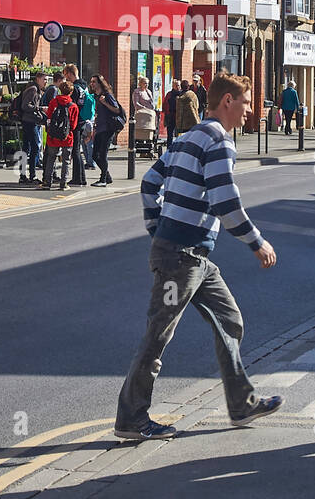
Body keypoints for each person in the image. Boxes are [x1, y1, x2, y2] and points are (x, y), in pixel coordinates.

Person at [115, 73, 282, 440]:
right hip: (181, 257)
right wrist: (257, 242)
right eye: (247, 103)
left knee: (230, 320)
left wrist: (155, 226)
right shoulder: (218, 141)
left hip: (194, 257)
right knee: (158, 336)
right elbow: (225, 202)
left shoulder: (186, 138)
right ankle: (131, 418)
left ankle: (241, 404)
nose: (250, 111)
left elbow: (148, 184)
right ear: (227, 101)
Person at [43, 80, 79, 191]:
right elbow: (73, 125)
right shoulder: (73, 106)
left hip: (53, 136)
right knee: (66, 160)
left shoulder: (54, 102)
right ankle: (63, 184)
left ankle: (47, 182)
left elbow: (48, 117)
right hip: (66, 137)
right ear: (71, 92)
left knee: (51, 158)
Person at [15, 70, 48, 184]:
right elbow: (25, 106)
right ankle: (31, 176)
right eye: (44, 79)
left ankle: (23, 175)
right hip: (30, 122)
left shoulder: (34, 89)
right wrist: (39, 108)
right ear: (38, 79)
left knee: (27, 148)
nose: (46, 82)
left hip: (28, 121)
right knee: (34, 148)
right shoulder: (33, 90)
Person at [90, 74, 123, 185]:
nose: (92, 84)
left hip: (108, 128)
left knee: (103, 154)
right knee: (95, 155)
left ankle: (103, 179)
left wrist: (104, 103)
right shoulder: (95, 96)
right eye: (91, 82)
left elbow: (117, 110)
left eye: (94, 81)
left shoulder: (107, 95)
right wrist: (94, 128)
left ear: (99, 83)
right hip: (99, 128)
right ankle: (107, 175)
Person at [131, 74, 158, 146]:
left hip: (150, 114)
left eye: (147, 83)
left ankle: (150, 144)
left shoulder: (148, 92)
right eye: (145, 83)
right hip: (141, 114)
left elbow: (152, 102)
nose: (147, 85)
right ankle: (141, 145)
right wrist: (144, 108)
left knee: (151, 130)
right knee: (141, 132)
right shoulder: (137, 92)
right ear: (140, 83)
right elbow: (136, 104)